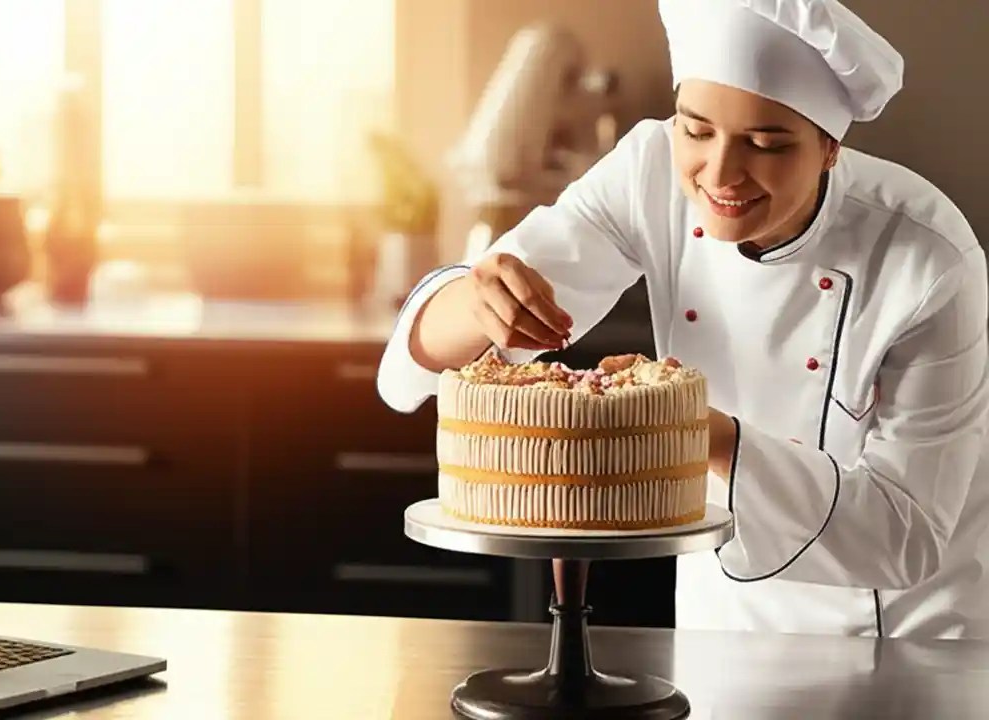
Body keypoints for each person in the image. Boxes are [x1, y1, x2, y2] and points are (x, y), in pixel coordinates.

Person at [377, 0, 989, 640]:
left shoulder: (927, 259)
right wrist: (480, 303)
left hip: (902, 642)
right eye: (696, 131)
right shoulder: (648, 172)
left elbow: (908, 539)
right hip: (720, 627)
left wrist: (693, 429)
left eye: (765, 143)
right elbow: (412, 373)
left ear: (830, 147)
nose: (720, 174)